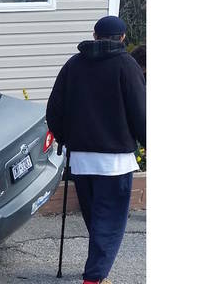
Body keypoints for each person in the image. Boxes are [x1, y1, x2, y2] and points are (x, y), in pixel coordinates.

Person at [46, 16, 146, 284]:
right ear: (122, 38)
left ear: (95, 35)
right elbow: (140, 112)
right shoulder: (127, 66)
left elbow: (53, 111)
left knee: (97, 221)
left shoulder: (73, 65)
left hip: (81, 161)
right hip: (115, 163)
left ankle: (97, 273)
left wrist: (66, 140)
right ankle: (94, 278)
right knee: (110, 224)